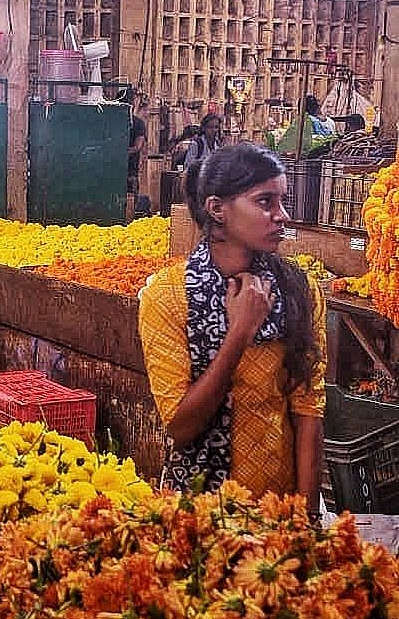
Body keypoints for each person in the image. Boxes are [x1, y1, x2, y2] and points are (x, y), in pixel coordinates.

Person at [137, 143, 326, 510]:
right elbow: (180, 426)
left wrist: (302, 522)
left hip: (278, 505)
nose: (281, 215)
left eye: (282, 202)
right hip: (199, 510)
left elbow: (309, 412)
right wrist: (240, 331)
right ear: (217, 209)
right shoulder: (167, 296)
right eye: (264, 202)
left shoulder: (299, 290)